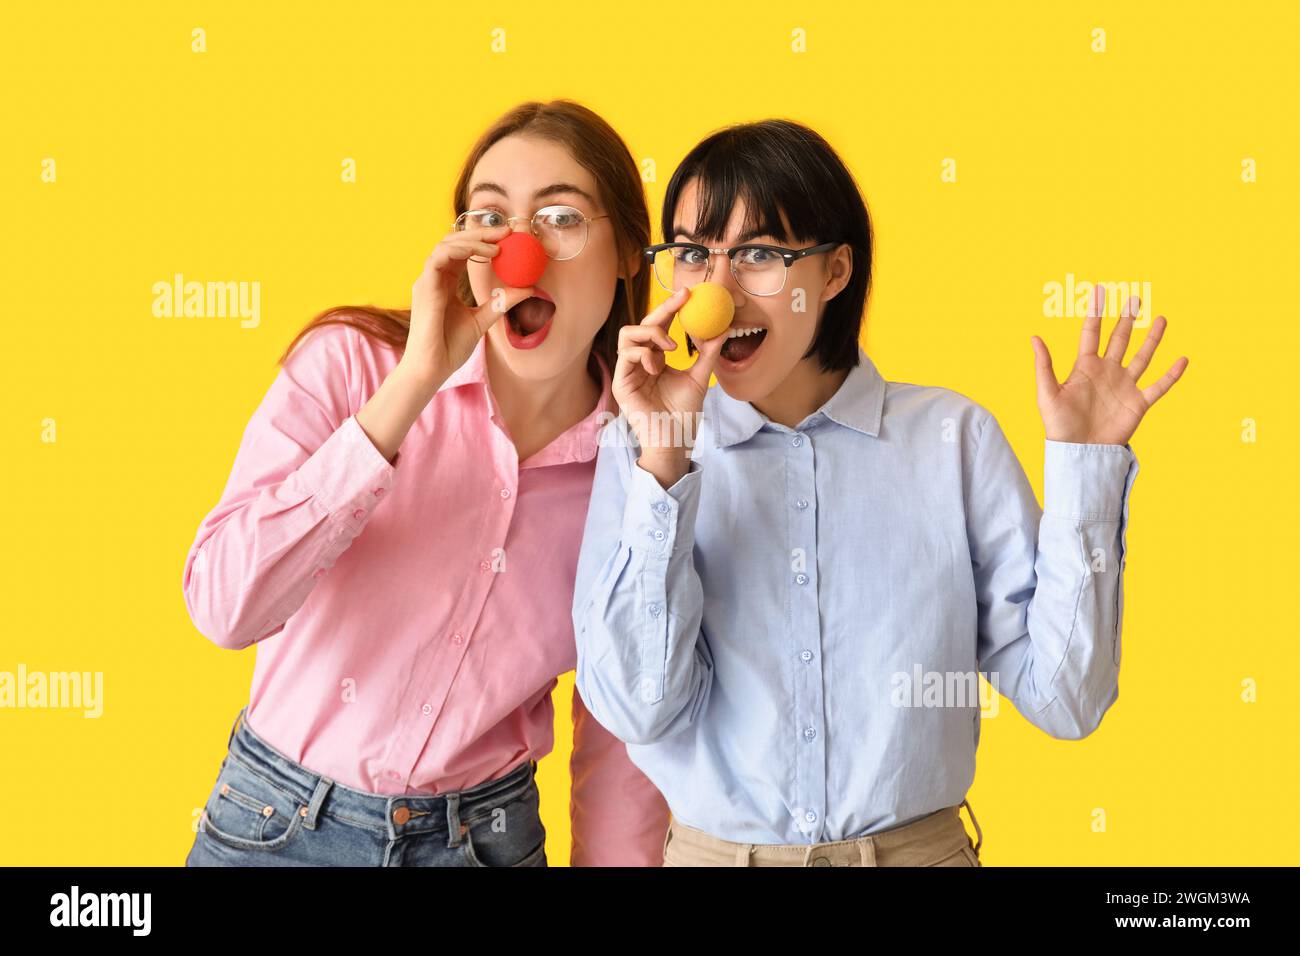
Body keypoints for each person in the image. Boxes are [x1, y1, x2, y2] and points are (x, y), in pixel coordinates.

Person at [572, 118, 1187, 866]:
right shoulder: (638, 446)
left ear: (834, 272)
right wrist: (665, 461)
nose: (718, 292)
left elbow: (1067, 700)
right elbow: (640, 704)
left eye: (761, 254)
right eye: (695, 255)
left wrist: (1087, 470)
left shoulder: (952, 440)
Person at [183, 100, 669, 867]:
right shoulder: (348, 366)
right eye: (491, 216)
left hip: (487, 843)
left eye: (562, 218)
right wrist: (413, 384)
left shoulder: (642, 464)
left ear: (629, 255)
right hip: (275, 826)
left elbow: (623, 735)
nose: (521, 251)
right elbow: (224, 608)